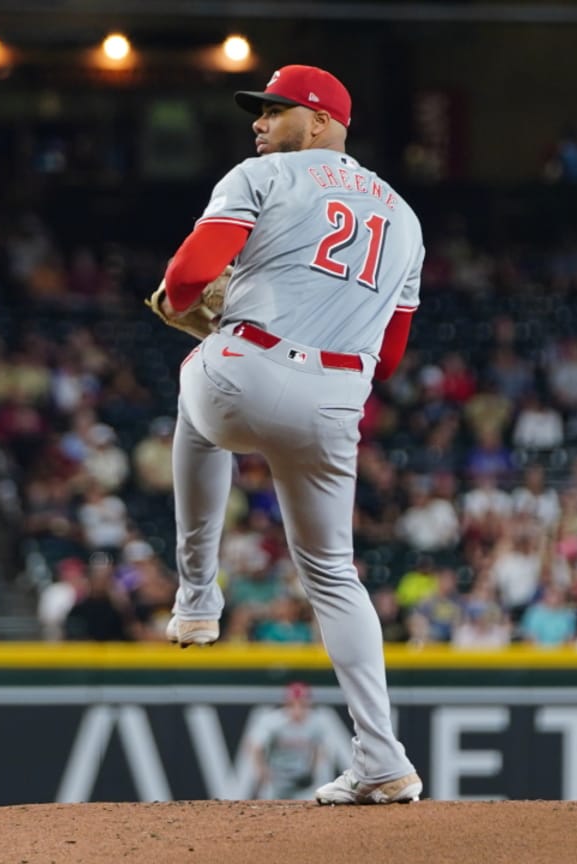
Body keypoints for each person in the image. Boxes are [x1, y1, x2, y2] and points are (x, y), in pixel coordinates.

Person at [153, 64, 422, 806]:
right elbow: (392, 358)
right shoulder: (405, 217)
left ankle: (199, 600)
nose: (259, 123)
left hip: (246, 369)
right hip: (338, 402)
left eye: (276, 110)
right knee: (335, 574)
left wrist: (206, 306)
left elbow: (182, 277)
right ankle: (383, 757)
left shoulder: (261, 178)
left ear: (323, 121)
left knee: (192, 393)